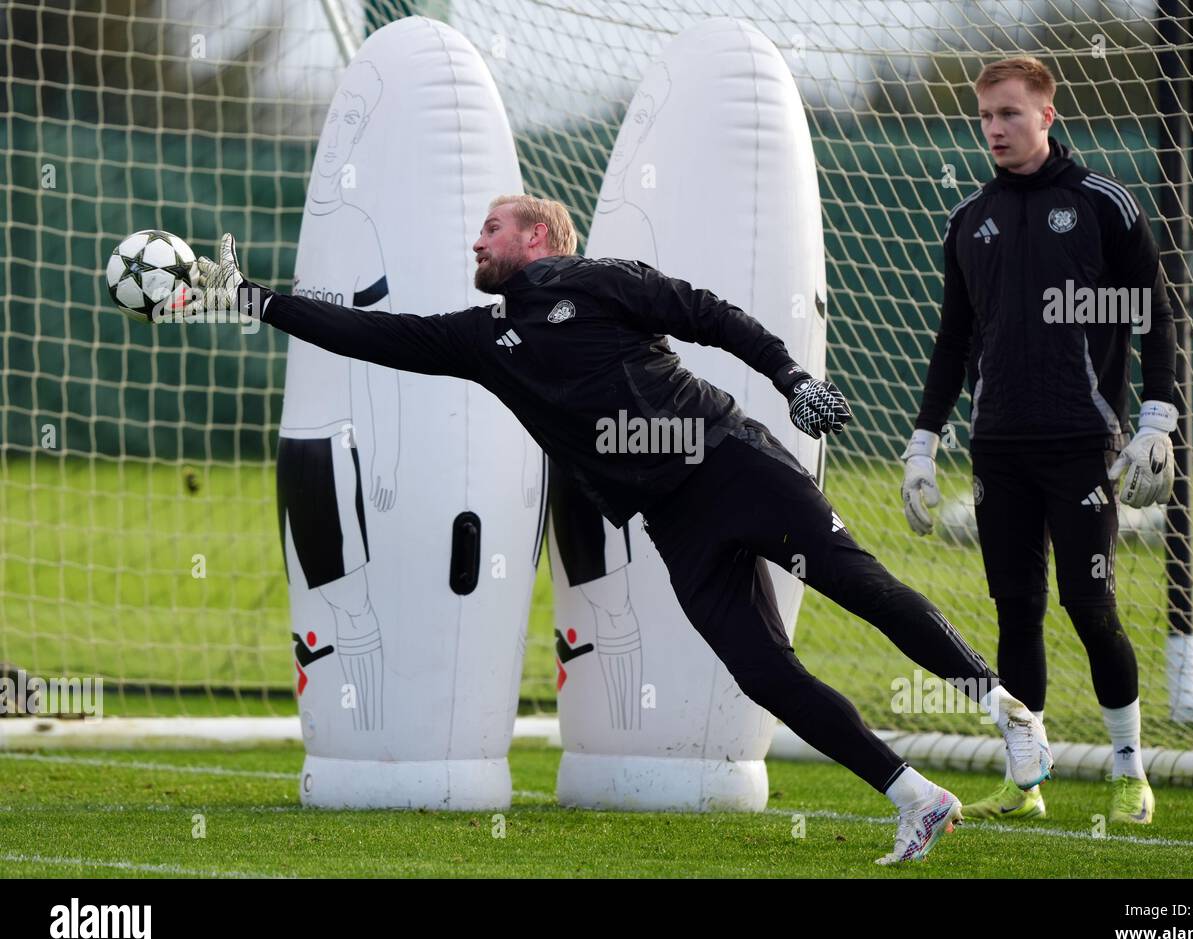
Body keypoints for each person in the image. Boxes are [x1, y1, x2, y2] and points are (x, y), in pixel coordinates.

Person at [199, 192, 1053, 864]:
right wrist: (254, 299)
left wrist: (792, 378)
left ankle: (1006, 708)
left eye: (490, 227)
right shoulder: (484, 335)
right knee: (763, 672)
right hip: (673, 522)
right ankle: (916, 800)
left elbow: (710, 313)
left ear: (539, 236)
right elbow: (374, 334)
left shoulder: (597, 278)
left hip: (730, 461)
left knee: (860, 586)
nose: (476, 243)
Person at [901, 57, 1176, 825]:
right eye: (986, 116)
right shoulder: (969, 221)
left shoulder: (1101, 205)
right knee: (1015, 613)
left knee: (1092, 610)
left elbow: (1157, 316)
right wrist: (924, 442)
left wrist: (1158, 420)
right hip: (998, 448)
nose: (995, 128)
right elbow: (953, 342)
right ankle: (1027, 784)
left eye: (1010, 114)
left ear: (1047, 116)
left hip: (1081, 443)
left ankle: (1130, 774)